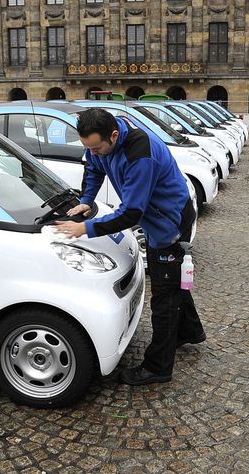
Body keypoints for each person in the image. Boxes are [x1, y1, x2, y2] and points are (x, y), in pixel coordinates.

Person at [51, 108, 205, 385]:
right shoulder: (103, 144)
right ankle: (189, 332)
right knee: (172, 283)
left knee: (164, 297)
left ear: (113, 135)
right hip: (157, 216)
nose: (94, 152)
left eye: (97, 147)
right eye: (88, 147)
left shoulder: (139, 153)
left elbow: (131, 213)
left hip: (169, 223)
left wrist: (84, 228)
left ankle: (158, 367)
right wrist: (86, 199)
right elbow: (94, 168)